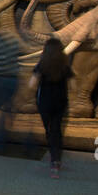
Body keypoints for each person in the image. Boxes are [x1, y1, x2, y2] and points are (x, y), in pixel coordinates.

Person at [32, 36, 73, 177]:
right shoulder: (65, 66)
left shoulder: (42, 65)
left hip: (44, 102)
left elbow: (32, 84)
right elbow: (74, 85)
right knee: (57, 129)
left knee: (49, 130)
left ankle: (53, 157)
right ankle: (56, 160)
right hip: (61, 102)